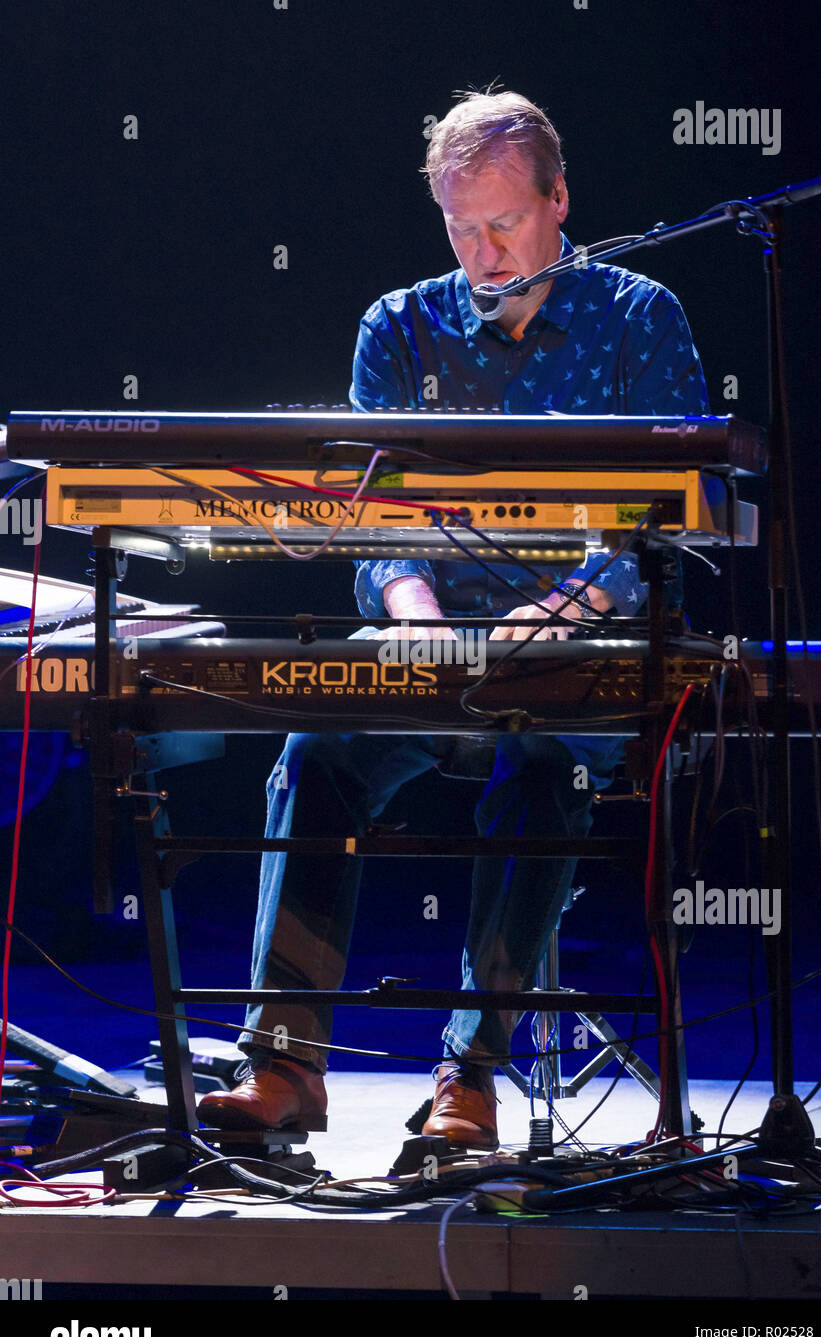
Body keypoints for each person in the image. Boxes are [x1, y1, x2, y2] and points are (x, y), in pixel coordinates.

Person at [198, 90, 709, 1147]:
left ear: (560, 199)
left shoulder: (640, 318)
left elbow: (667, 521)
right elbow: (374, 520)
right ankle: (285, 1062)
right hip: (434, 645)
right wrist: (410, 605)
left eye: (505, 225)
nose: (483, 256)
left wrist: (561, 610)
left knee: (540, 772)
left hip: (577, 651)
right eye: (460, 229)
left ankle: (470, 1073)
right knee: (315, 741)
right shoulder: (398, 325)